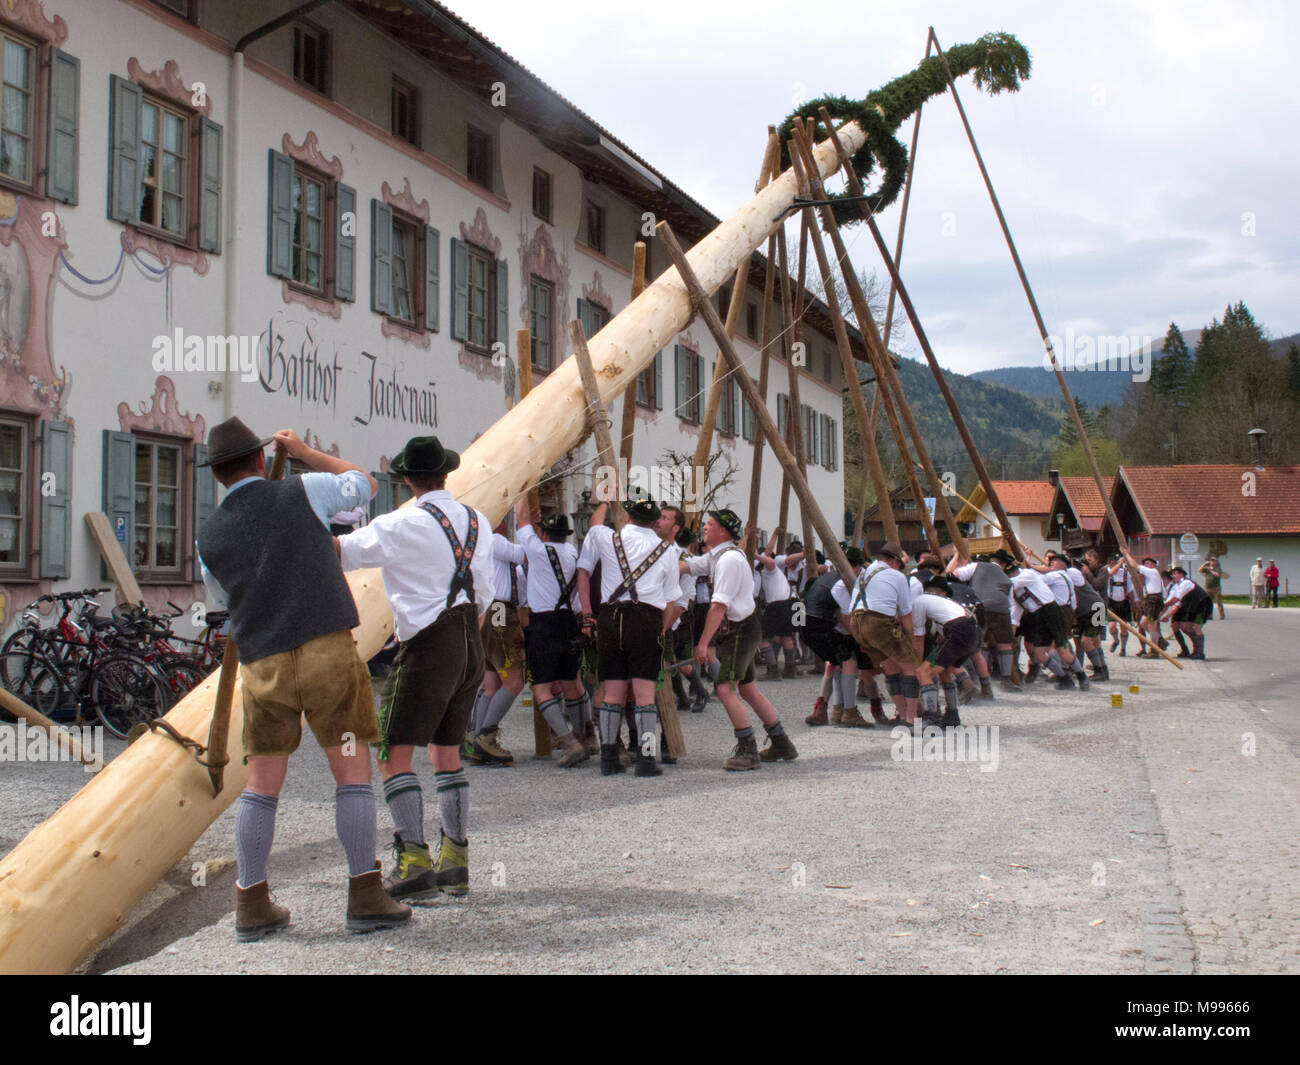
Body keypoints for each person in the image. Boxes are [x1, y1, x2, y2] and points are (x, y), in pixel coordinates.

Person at [196, 420, 410, 940]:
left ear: (220, 475)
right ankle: (364, 893)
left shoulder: (208, 536)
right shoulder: (301, 489)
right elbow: (365, 484)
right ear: (257, 460)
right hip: (325, 650)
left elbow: (225, 599)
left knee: (261, 784)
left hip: (263, 662)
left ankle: (251, 902)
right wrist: (307, 453)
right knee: (351, 771)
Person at [338, 436, 493, 902]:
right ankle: (456, 862)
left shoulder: (401, 522)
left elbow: (340, 553)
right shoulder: (478, 521)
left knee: (392, 752)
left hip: (427, 647)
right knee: (447, 753)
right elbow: (485, 592)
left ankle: (414, 861)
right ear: (446, 474)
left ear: (406, 478)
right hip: (471, 640)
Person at [680, 509, 798, 770]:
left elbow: (718, 606)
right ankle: (781, 743)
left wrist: (703, 644)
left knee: (725, 689)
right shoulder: (718, 555)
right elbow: (689, 566)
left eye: (710, 524)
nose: (705, 528)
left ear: (723, 530)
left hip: (739, 630)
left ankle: (748, 750)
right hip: (741, 628)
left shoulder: (728, 561)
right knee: (748, 689)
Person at [577, 493, 681, 776]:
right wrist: (660, 629)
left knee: (612, 691)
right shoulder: (667, 551)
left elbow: (595, 524)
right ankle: (646, 759)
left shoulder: (605, 537)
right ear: (654, 521)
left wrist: (605, 501)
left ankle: (608, 758)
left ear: (629, 515)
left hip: (610, 616)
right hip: (647, 617)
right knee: (645, 693)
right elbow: (671, 600)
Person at [515, 499, 589, 767]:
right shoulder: (572, 552)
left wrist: (521, 495)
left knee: (542, 688)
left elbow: (522, 522)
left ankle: (569, 742)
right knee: (571, 682)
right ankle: (584, 735)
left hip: (543, 622)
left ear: (544, 534)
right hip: (570, 619)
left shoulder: (536, 549)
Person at [467, 520, 527, 766]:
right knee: (514, 680)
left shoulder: (484, 543)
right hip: (499, 611)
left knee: (491, 682)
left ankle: (476, 739)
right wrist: (527, 524)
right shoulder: (492, 540)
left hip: (487, 611)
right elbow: (525, 553)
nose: (506, 522)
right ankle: (486, 736)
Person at [847, 541, 925, 725]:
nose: (900, 568)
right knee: (910, 666)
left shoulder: (863, 574)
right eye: (900, 564)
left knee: (890, 667)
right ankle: (912, 719)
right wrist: (913, 642)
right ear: (892, 561)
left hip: (856, 623)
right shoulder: (897, 576)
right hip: (878, 622)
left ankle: (903, 714)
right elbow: (906, 615)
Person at [948, 550, 1016, 694]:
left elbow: (955, 575)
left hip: (981, 606)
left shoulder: (977, 566)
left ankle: (981, 680)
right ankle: (1006, 680)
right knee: (1004, 645)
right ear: (1003, 565)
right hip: (1001, 609)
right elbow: (1010, 601)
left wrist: (960, 562)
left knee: (978, 645)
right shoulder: (1007, 578)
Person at [1160, 565, 1210, 660]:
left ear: (1182, 574)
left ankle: (1199, 652)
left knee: (1195, 627)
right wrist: (1161, 615)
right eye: (1172, 574)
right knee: (1181, 626)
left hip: (1201, 604)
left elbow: (1175, 599)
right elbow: (1171, 603)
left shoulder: (1186, 583)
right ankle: (1186, 650)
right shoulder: (1175, 587)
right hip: (1191, 606)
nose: (1173, 576)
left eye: (1175, 573)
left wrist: (1165, 612)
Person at [1197, 556, 1226, 621]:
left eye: (1213, 561)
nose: (1212, 562)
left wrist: (1211, 570)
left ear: (1216, 562)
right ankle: (1209, 615)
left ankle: (1222, 615)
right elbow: (1199, 570)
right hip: (1207, 588)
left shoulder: (1218, 568)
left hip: (1216, 588)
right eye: (1211, 561)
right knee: (1209, 602)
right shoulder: (1207, 569)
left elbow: (1217, 575)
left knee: (1219, 602)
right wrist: (1204, 564)